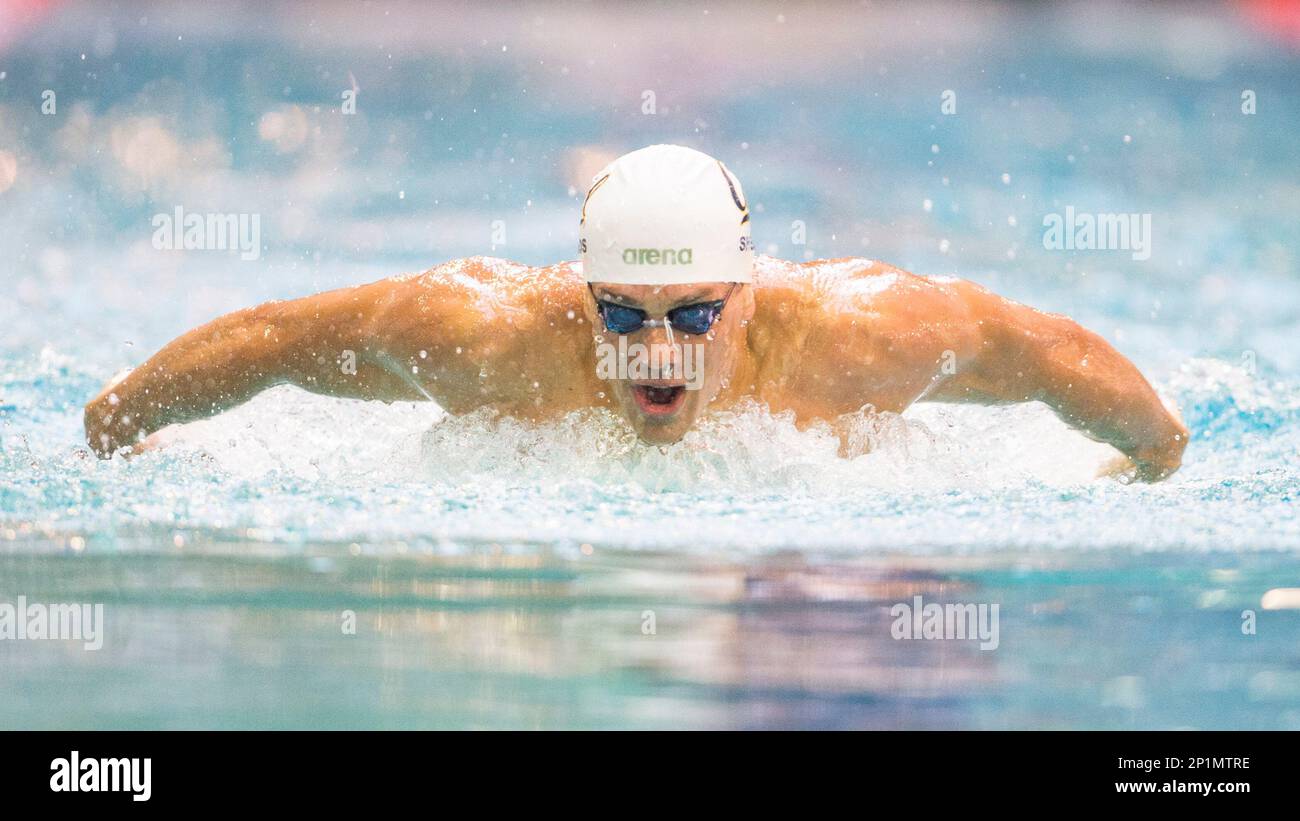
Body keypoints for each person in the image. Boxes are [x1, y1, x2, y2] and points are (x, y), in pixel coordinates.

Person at [84, 144, 1188, 481]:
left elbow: (1043, 351)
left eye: (694, 316)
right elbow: (275, 339)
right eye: (623, 314)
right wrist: (119, 417)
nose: (655, 350)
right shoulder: (495, 338)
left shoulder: (861, 334)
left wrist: (1151, 456)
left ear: (745, 292)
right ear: (581, 294)